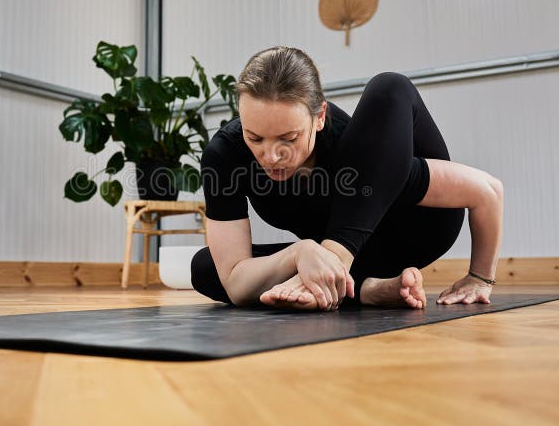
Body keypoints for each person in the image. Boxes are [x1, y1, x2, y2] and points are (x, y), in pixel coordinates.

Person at [191, 46, 503, 311]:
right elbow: (235, 283)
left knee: (389, 87)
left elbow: (489, 191)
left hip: (415, 230)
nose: (271, 156)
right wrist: (299, 253)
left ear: (320, 117)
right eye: (255, 138)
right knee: (206, 267)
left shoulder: (360, 152)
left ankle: (336, 260)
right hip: (360, 265)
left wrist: (480, 278)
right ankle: (369, 290)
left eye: (288, 138)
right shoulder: (225, 156)